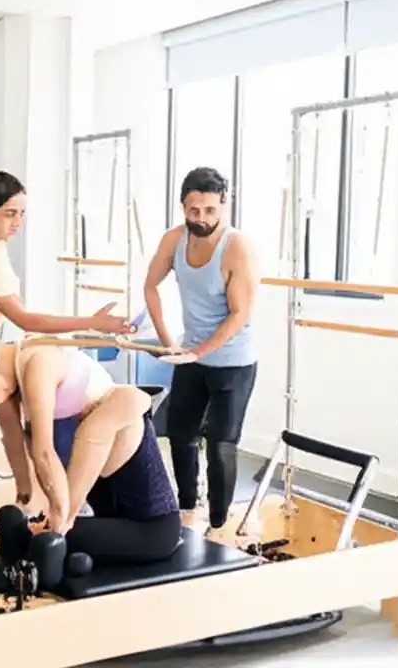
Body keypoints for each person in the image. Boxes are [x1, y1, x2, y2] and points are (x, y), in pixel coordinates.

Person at [0, 170, 133, 546]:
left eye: (22, 213)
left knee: (15, 432)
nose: (17, 222)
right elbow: (26, 319)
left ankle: (34, 501)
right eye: (10, 213)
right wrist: (93, 322)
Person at [0, 342, 180, 563]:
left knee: (46, 537)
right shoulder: (4, 373)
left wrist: (57, 520)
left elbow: (43, 453)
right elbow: (15, 440)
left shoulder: (40, 369)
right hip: (113, 515)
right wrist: (26, 498)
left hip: (155, 531)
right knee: (35, 533)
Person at [143, 167, 258, 532]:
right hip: (191, 354)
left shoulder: (237, 247)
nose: (201, 219)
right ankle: (186, 508)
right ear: (183, 206)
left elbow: (240, 314)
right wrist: (169, 342)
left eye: (210, 211)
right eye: (194, 211)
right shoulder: (174, 240)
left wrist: (198, 351)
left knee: (221, 444)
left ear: (223, 205)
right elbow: (150, 286)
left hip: (232, 361)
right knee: (180, 435)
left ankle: (220, 525)